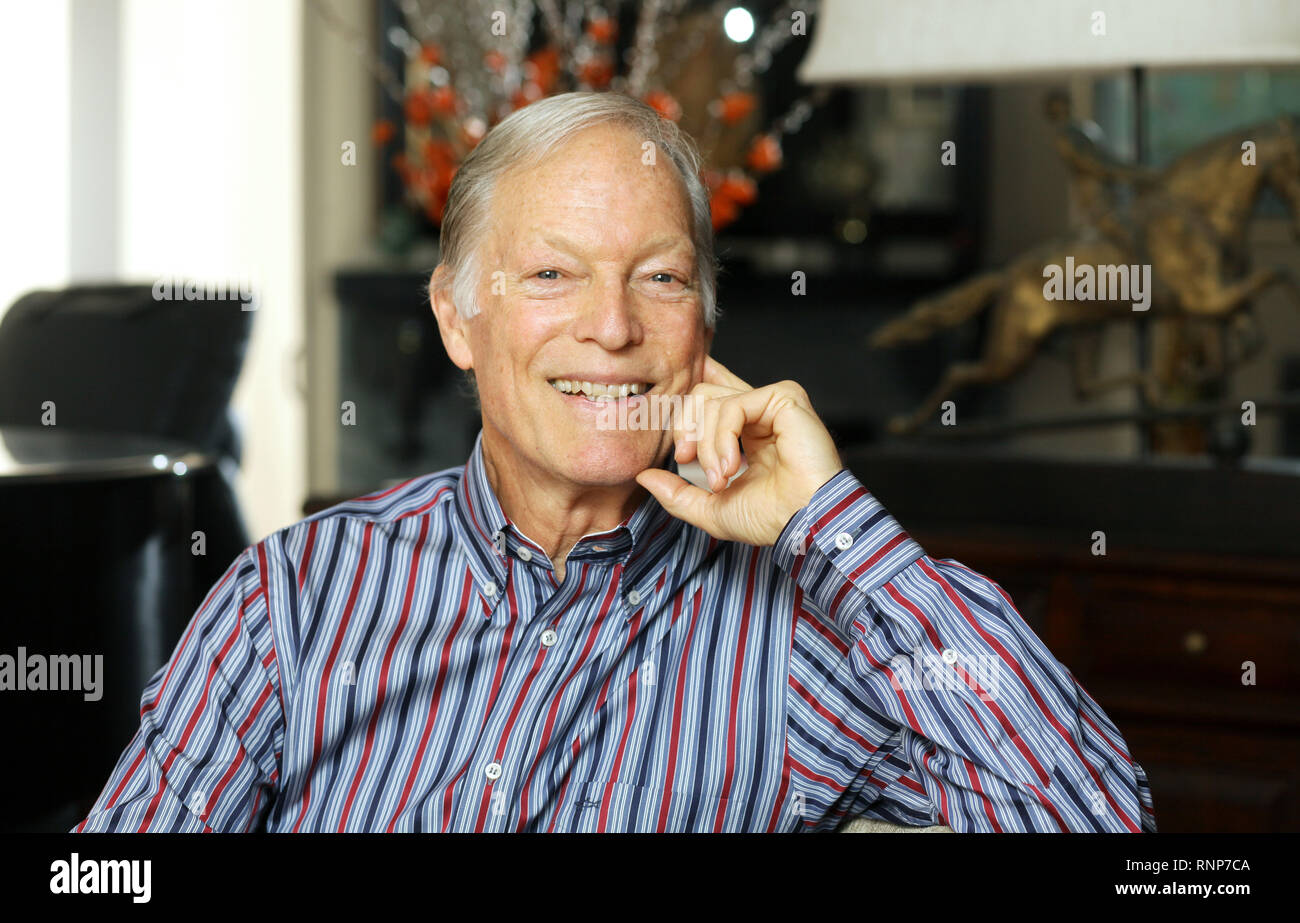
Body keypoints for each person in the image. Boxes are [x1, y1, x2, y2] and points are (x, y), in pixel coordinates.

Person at [75, 91, 1156, 833]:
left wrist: (835, 524)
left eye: (661, 278)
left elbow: (1101, 825)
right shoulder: (297, 596)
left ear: (706, 326)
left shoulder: (788, 639)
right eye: (552, 272)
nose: (611, 327)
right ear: (458, 318)